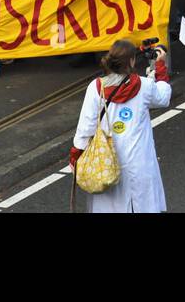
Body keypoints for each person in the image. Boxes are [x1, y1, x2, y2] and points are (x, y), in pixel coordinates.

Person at [69, 38, 171, 213]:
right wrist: (160, 67)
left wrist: (76, 155)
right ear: (131, 61)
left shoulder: (96, 87)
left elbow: (86, 126)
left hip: (106, 162)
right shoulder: (144, 86)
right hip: (139, 163)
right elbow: (163, 98)